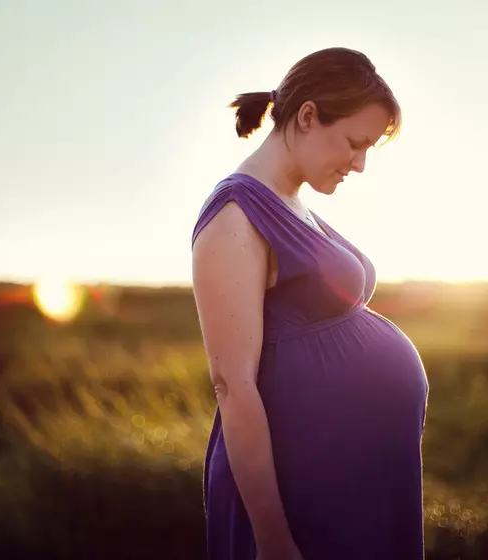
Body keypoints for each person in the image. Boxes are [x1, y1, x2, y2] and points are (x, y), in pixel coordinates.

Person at [191, 47, 429, 560]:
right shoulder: (235, 215)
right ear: (307, 116)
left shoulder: (291, 201)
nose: (360, 164)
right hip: (299, 495)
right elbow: (234, 388)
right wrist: (274, 541)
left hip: (351, 482)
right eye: (354, 143)